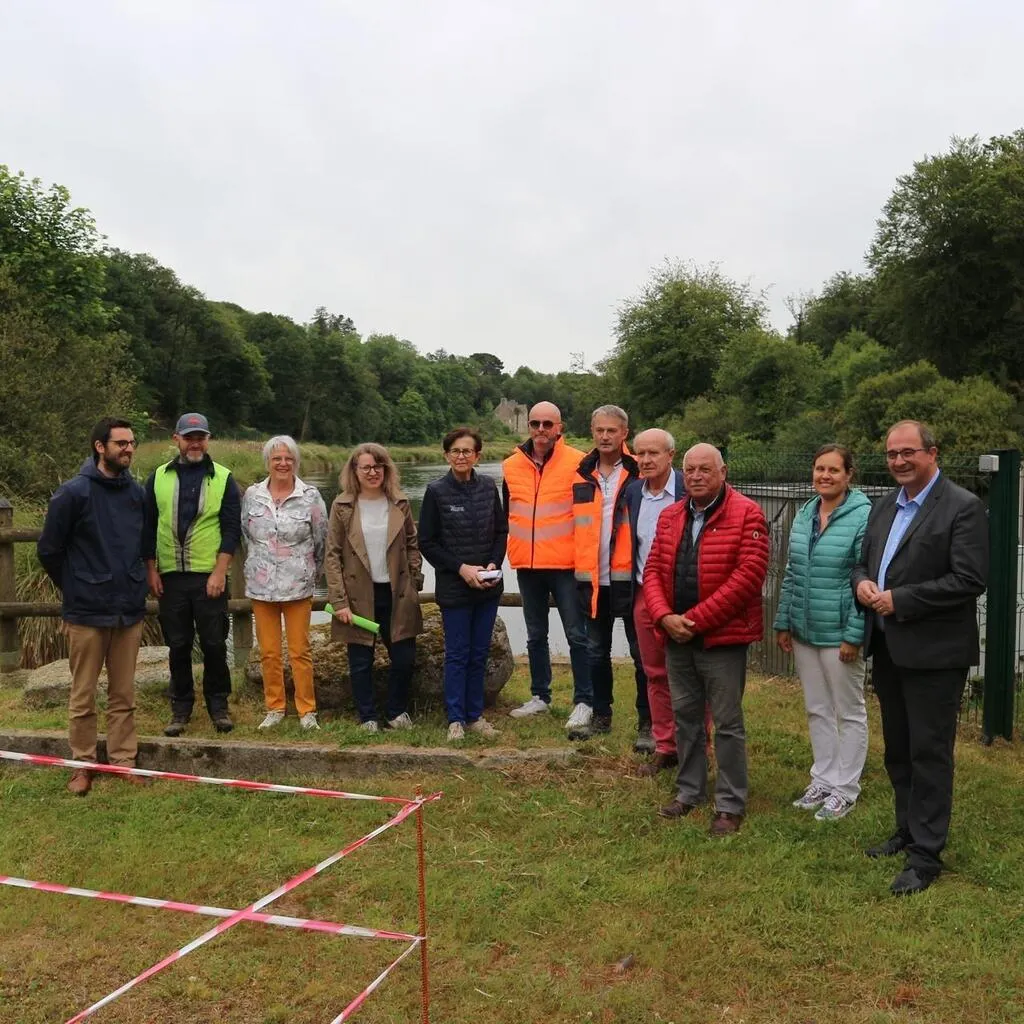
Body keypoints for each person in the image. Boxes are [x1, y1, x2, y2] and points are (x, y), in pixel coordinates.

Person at [852, 420, 988, 896]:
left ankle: (926, 856)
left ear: (933, 453)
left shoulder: (962, 507)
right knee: (899, 749)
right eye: (891, 454)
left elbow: (970, 579)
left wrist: (901, 600)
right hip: (890, 646)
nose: (899, 461)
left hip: (934, 653)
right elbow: (865, 562)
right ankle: (907, 830)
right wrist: (863, 583)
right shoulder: (885, 505)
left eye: (908, 452)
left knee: (929, 753)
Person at [643, 443, 769, 836]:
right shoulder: (670, 516)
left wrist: (693, 621)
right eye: (691, 469)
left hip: (722, 640)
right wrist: (663, 616)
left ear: (722, 472)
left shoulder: (747, 513)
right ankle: (690, 790)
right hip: (676, 636)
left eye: (705, 469)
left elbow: (747, 579)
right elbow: (652, 571)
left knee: (728, 723)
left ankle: (730, 804)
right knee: (686, 718)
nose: (696, 476)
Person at [37, 417, 149, 795]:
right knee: (82, 694)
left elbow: (144, 545)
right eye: (120, 443)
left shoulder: (137, 494)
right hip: (86, 611)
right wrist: (76, 585)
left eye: (131, 442)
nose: (128, 449)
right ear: (100, 447)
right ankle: (81, 763)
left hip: (128, 609)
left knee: (123, 693)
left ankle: (122, 759)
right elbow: (50, 550)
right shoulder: (73, 493)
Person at [775, 445, 872, 821]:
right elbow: (792, 573)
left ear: (849, 475)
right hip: (804, 630)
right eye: (819, 469)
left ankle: (846, 788)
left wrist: (854, 634)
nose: (825, 476)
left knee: (848, 711)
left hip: (840, 633)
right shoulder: (804, 513)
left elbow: (867, 577)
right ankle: (824, 777)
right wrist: (784, 621)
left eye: (833, 470)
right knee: (817, 708)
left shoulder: (864, 516)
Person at [143, 413, 241, 736]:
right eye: (189, 437)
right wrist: (152, 570)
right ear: (177, 439)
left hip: (208, 577)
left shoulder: (224, 478)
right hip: (171, 577)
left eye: (201, 437)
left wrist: (220, 571)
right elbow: (147, 527)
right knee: (179, 644)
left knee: (214, 643)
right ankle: (180, 708)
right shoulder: (157, 477)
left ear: (208, 439)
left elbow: (231, 530)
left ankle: (218, 706)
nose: (195, 442)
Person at [502, 401, 594, 738]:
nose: (541, 430)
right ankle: (540, 695)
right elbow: (507, 514)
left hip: (567, 564)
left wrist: (587, 560)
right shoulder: (511, 466)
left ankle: (584, 700)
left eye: (547, 424)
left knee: (576, 634)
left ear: (559, 427)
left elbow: (589, 516)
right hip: (528, 565)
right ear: (529, 425)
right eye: (535, 423)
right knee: (535, 634)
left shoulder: (580, 462)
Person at [325, 443, 423, 733]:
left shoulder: (400, 503)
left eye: (378, 466)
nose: (372, 472)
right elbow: (331, 554)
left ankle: (396, 712)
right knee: (360, 662)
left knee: (404, 659)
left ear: (386, 469)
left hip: (397, 593)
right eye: (366, 467)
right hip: (358, 595)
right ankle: (367, 717)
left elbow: (412, 544)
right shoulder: (341, 506)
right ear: (354, 471)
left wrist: (415, 580)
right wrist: (339, 601)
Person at [419, 426, 507, 742]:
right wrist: (461, 568)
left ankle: (475, 715)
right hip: (455, 587)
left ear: (477, 456)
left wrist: (494, 563)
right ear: (446, 455)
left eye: (467, 451)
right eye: (455, 451)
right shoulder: (436, 491)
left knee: (479, 653)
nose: (461, 456)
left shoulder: (487, 486)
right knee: (457, 654)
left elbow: (500, 531)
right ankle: (455, 718)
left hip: (487, 586)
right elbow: (427, 543)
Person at [572, 405, 652, 747]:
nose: (605, 436)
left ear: (624, 434)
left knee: (642, 654)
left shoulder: (639, 472)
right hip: (592, 580)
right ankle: (601, 716)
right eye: (599, 430)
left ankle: (648, 723)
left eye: (612, 431)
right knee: (595, 652)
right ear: (593, 432)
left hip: (631, 579)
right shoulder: (580, 473)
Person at [241, 435, 328, 732]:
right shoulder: (252, 495)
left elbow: (321, 541)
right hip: (261, 586)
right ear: (268, 461)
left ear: (296, 462)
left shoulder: (311, 496)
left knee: (300, 651)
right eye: (277, 458)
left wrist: (310, 574)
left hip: (298, 586)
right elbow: (247, 534)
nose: (283, 463)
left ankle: (307, 710)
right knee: (268, 651)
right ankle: (275, 707)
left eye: (288, 458)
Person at [625, 428, 687, 776]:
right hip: (645, 596)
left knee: (693, 675)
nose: (646, 460)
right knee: (654, 674)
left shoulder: (688, 489)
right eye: (640, 454)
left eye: (653, 454)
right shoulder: (633, 493)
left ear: (671, 456)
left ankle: (694, 746)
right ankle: (665, 746)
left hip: (684, 597)